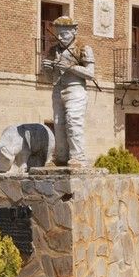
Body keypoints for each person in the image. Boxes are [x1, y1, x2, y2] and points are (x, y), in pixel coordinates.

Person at [42, 16, 95, 167]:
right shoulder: (53, 50)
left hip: (75, 88)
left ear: (74, 31)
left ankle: (78, 157)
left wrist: (70, 67)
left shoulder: (83, 49)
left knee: (73, 121)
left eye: (64, 34)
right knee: (58, 124)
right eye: (58, 34)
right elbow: (48, 78)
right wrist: (46, 69)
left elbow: (91, 73)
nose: (60, 37)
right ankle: (61, 157)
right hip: (58, 88)